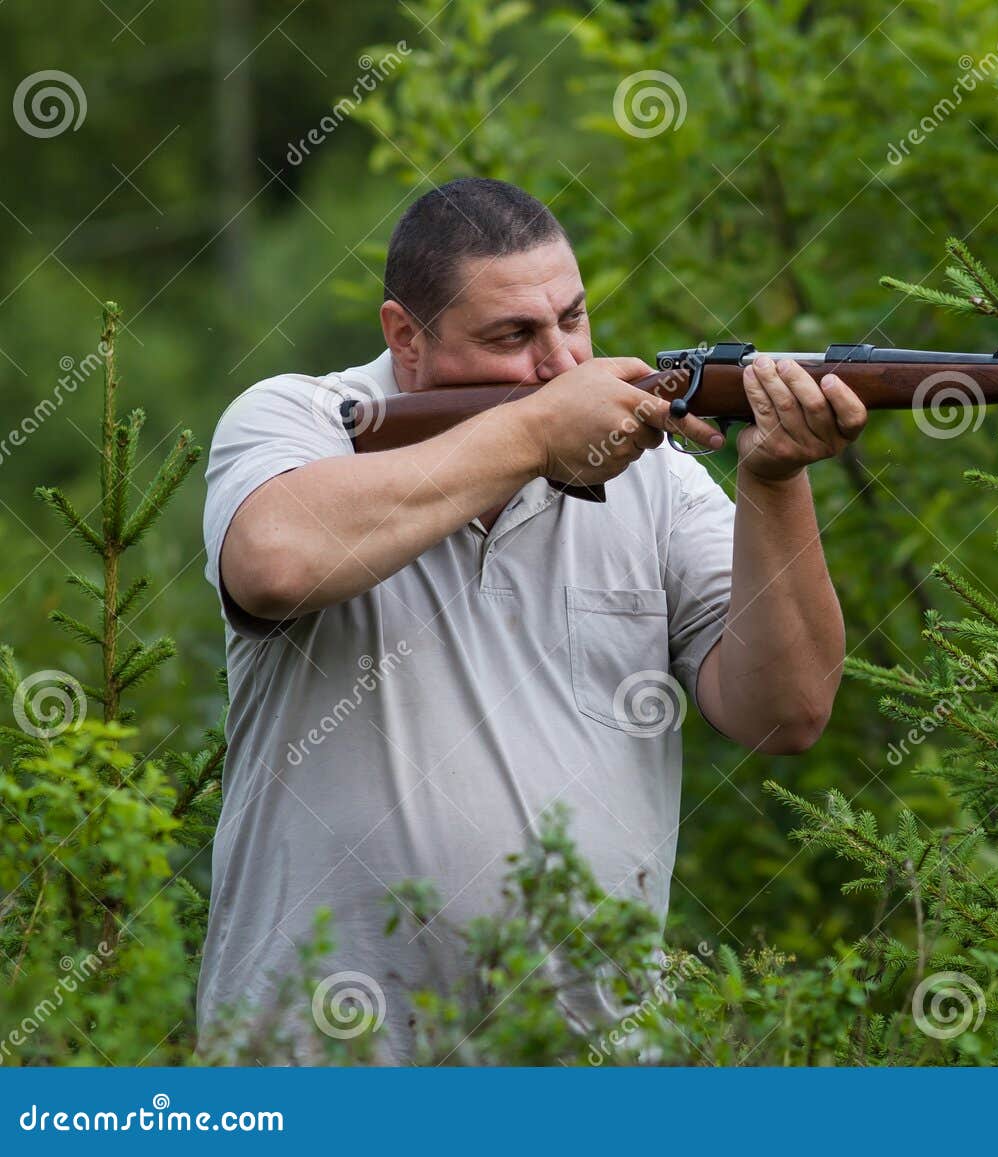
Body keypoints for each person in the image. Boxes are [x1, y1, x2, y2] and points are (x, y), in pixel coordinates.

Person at [195, 176, 866, 1063]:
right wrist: (538, 436)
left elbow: (786, 709)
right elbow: (277, 562)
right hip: (319, 1056)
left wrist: (774, 483)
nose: (560, 363)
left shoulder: (654, 476)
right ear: (405, 335)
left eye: (573, 320)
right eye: (514, 335)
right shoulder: (307, 417)